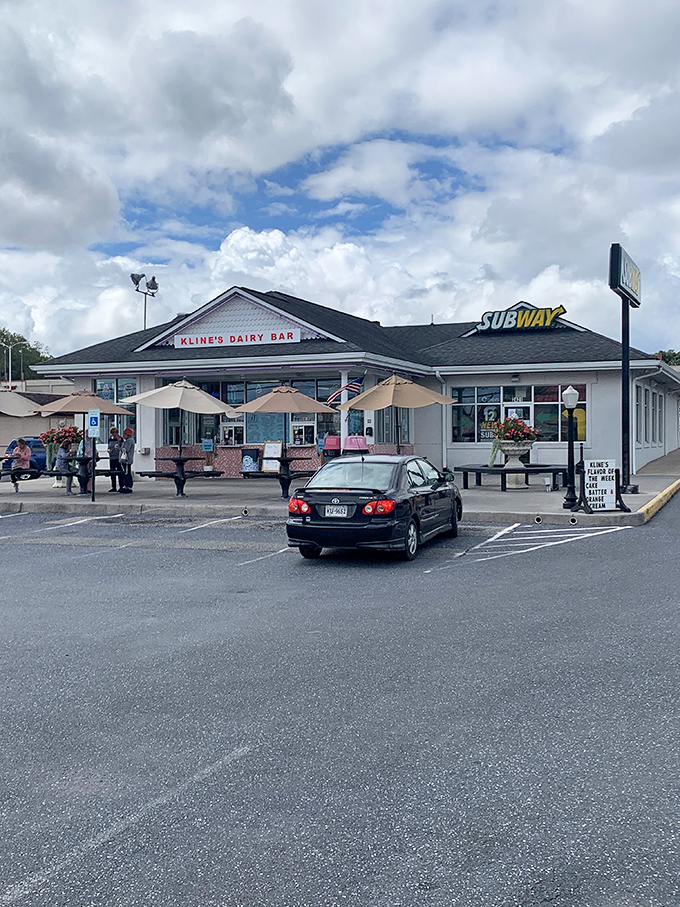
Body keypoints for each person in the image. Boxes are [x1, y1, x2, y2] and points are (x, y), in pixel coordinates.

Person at [119, 427, 135, 493]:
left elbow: (126, 449)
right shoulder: (129, 440)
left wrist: (119, 448)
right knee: (125, 473)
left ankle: (128, 486)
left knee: (127, 473)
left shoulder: (129, 441)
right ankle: (126, 486)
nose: (123, 435)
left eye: (124, 434)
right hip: (127, 460)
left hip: (126, 460)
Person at [107, 426, 123, 492]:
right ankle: (113, 487)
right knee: (112, 472)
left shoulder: (120, 439)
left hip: (118, 457)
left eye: (115, 432)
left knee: (120, 472)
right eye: (112, 432)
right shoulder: (110, 439)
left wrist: (119, 447)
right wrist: (108, 450)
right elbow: (108, 447)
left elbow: (122, 446)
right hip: (112, 457)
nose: (114, 433)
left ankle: (121, 486)